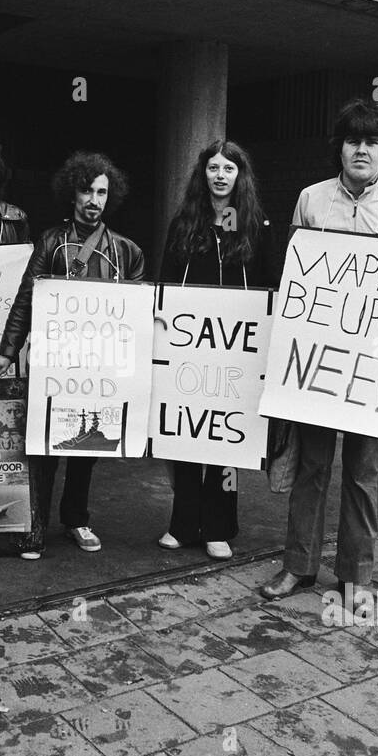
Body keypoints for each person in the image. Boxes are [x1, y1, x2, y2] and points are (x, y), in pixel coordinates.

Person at [262, 99, 378, 600]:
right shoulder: (312, 199)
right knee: (311, 468)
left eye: (373, 142)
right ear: (338, 147)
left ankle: (355, 575)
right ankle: (298, 565)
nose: (361, 150)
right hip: (319, 365)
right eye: (352, 140)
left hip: (371, 365)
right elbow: (296, 274)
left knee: (363, 472)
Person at [0, 151, 145, 554]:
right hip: (52, 365)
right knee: (43, 448)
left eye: (101, 192)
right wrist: (8, 351)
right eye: (86, 191)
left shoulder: (126, 251)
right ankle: (34, 525)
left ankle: (76, 519)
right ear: (72, 193)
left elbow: (136, 317)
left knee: (87, 447)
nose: (94, 200)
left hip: (99, 369)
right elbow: (25, 300)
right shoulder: (50, 241)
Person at [157, 139, 274, 561]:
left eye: (228, 169)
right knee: (188, 435)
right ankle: (183, 523)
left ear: (239, 176)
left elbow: (268, 287)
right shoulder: (184, 223)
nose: (220, 175)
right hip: (190, 350)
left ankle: (220, 525)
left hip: (235, 354)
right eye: (213, 168)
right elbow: (167, 281)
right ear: (202, 174)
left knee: (225, 440)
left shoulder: (256, 226)